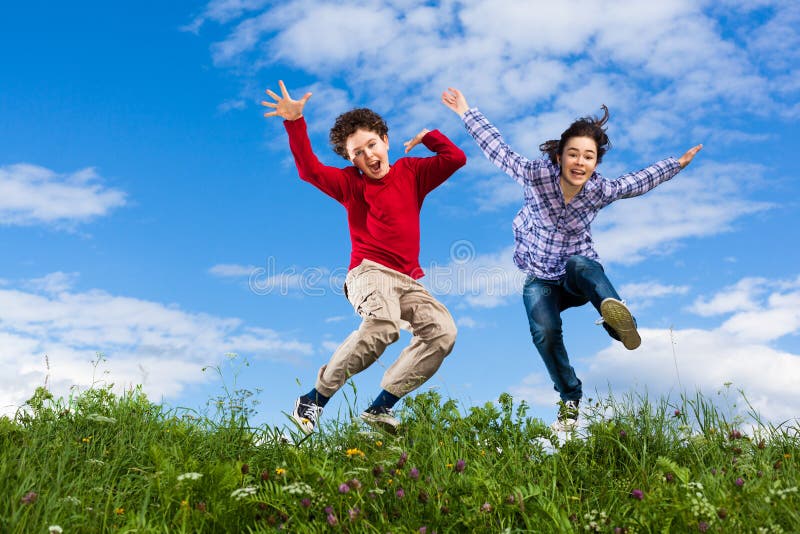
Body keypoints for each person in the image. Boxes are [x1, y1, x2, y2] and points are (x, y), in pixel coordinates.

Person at [441, 87, 702, 431]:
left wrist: (677, 164)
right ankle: (569, 398)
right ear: (560, 156)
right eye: (574, 155)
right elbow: (498, 150)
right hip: (540, 278)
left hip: (576, 277)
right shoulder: (535, 175)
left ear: (596, 163)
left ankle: (618, 321)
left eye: (588, 157)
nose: (580, 163)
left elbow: (636, 182)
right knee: (544, 332)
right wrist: (465, 111)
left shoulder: (599, 190)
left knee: (582, 264)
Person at [262, 81, 466, 434]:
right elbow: (309, 170)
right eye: (357, 152)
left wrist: (429, 136)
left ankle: (380, 408)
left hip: (408, 280)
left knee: (443, 332)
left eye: (372, 145)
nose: (368, 156)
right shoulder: (350, 184)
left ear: (385, 141)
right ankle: (313, 399)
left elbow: (455, 159)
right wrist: (295, 123)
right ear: (349, 159)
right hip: (368, 273)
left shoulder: (412, 173)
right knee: (384, 326)